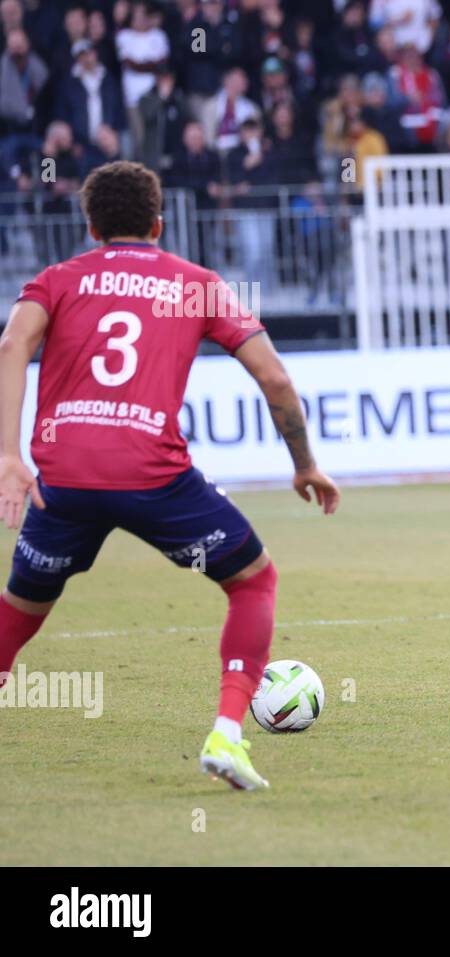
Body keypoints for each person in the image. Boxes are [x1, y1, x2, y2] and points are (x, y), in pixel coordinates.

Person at [0, 161, 340, 790]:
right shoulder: (198, 285)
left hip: (63, 478)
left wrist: (8, 455)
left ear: (91, 224)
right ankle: (227, 737)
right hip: (154, 477)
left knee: (19, 610)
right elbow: (276, 380)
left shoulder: (55, 280)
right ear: (158, 223)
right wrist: (305, 465)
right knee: (253, 581)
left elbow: (11, 345)